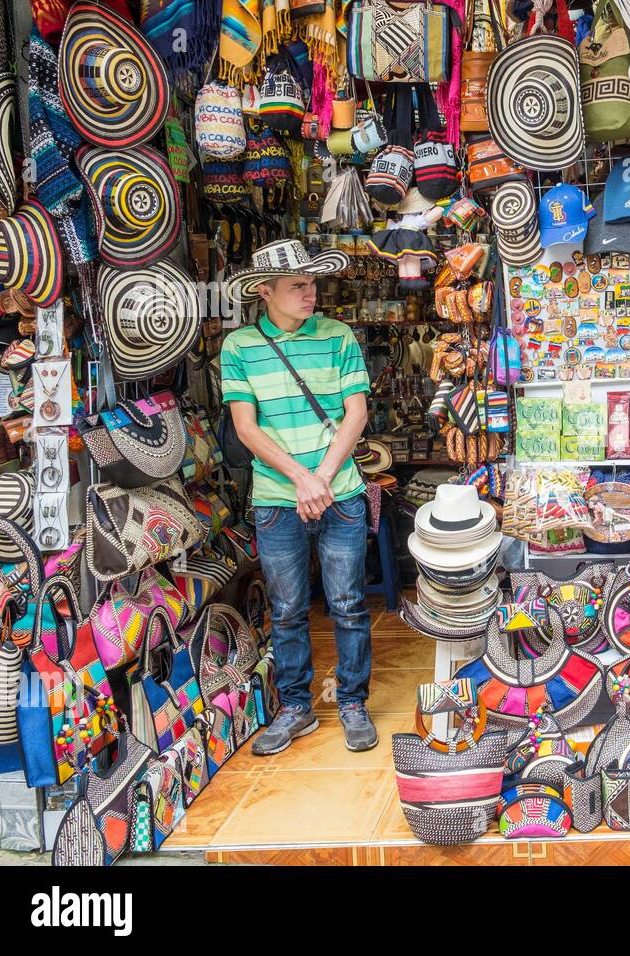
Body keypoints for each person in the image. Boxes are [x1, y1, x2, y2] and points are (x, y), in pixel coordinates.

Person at [221, 240, 378, 755]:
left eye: (312, 284)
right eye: (297, 286)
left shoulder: (338, 336)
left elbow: (356, 413)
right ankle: (296, 708)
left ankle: (352, 701)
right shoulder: (240, 346)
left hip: (341, 494)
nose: (311, 294)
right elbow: (246, 427)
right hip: (275, 499)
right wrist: (300, 479)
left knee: (349, 604)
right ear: (264, 291)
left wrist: (322, 479)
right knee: (287, 609)